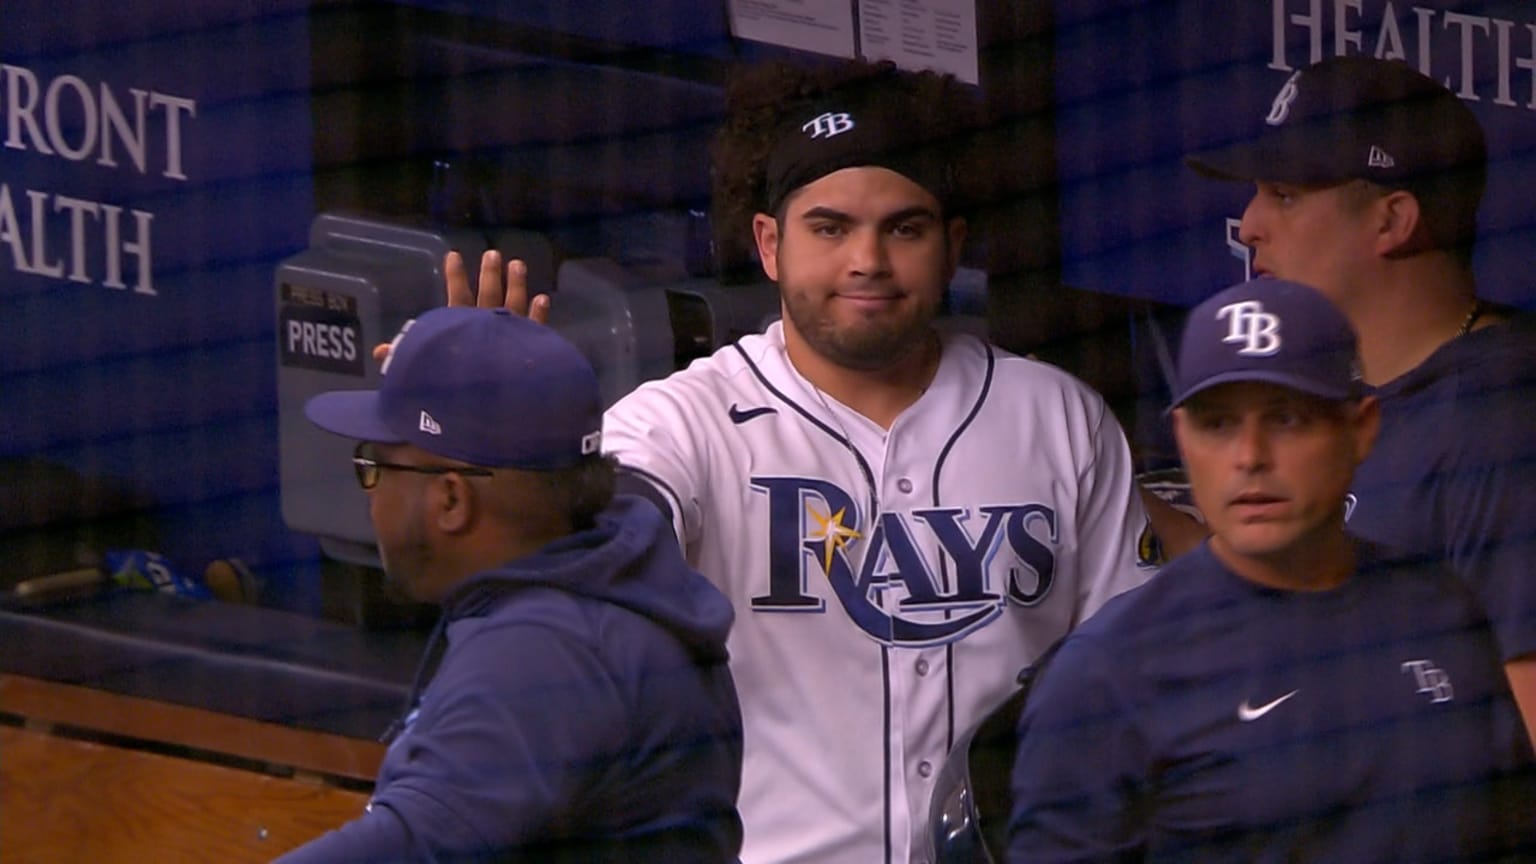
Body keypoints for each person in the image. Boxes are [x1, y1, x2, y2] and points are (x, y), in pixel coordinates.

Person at [429, 61, 1158, 863]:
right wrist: (509, 454)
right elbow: (602, 537)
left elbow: (1132, 680)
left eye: (904, 229)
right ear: (770, 245)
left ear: (952, 246)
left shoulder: (1058, 421)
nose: (867, 261)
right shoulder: (688, 421)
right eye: (830, 227)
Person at [1006, 278, 1536, 861]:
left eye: (1286, 418)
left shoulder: (1443, 610)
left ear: (1361, 429)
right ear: (1181, 437)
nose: (1250, 456)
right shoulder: (1105, 675)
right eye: (1218, 424)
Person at [277, 306, 743, 863]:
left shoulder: (548, 651)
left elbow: (406, 850)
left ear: (451, 498)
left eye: (375, 467)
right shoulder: (599, 597)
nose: (370, 494)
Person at [1186, 54, 1536, 745]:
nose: (1250, 223)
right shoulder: (1355, 395)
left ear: (1392, 220)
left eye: (1285, 195)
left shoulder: (1503, 425)